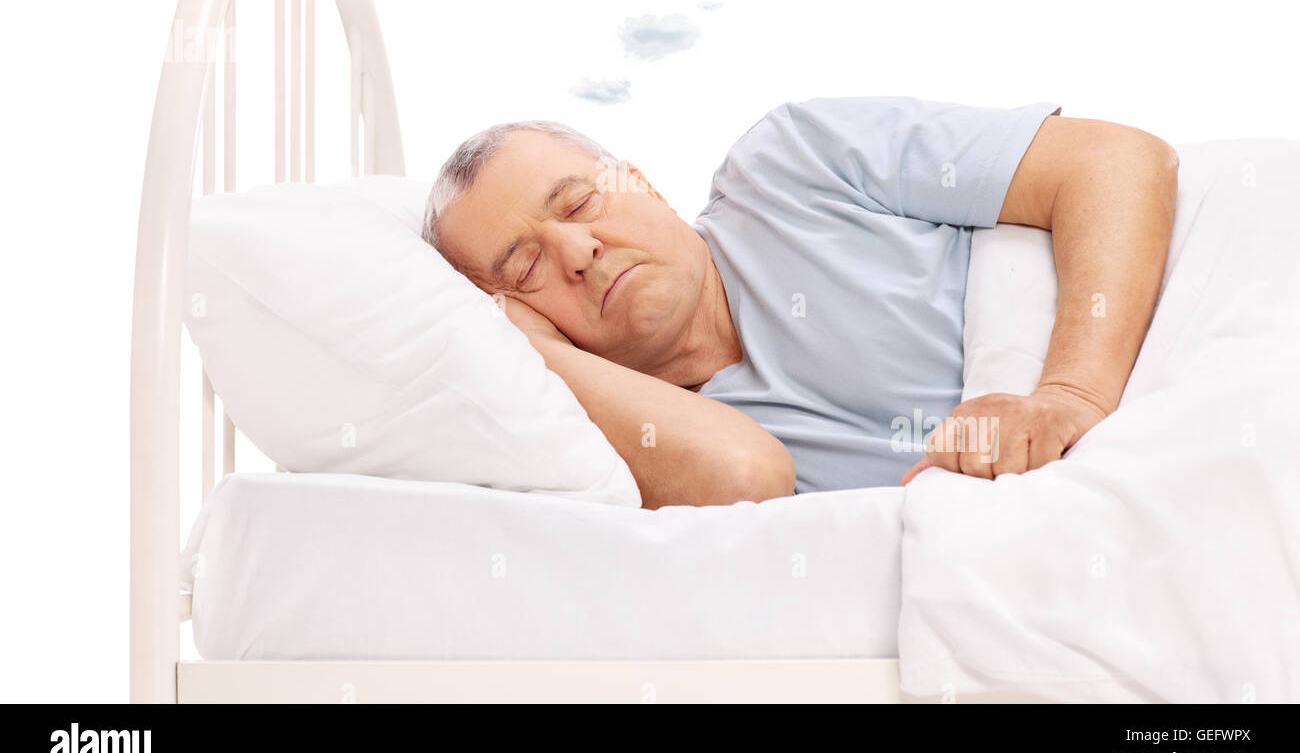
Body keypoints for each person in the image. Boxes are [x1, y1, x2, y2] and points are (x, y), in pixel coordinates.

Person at [421, 96, 1178, 508]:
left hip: (1165, 368)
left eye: (582, 202)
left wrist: (1069, 396)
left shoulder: (792, 163)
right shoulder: (619, 440)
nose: (578, 253)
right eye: (524, 268)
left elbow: (1115, 159)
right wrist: (534, 353)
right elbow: (746, 477)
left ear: (642, 183)